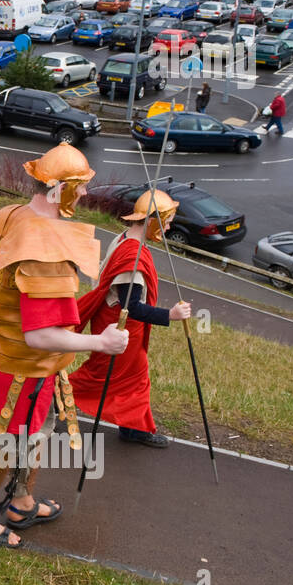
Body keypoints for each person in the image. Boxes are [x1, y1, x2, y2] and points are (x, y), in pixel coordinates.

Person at [0, 144, 129, 549]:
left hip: (10, 352)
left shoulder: (2, 218)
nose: (84, 194)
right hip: (21, 360)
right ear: (60, 190)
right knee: (6, 440)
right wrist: (100, 341)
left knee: (34, 431)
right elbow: (39, 335)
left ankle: (18, 502)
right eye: (80, 187)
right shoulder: (43, 255)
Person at [69, 190, 192, 449]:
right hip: (120, 327)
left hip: (120, 326)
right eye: (166, 221)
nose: (168, 227)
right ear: (152, 221)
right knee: (100, 377)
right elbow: (132, 307)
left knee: (135, 381)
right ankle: (49, 394)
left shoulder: (124, 238)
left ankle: (134, 428)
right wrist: (171, 315)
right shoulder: (131, 258)